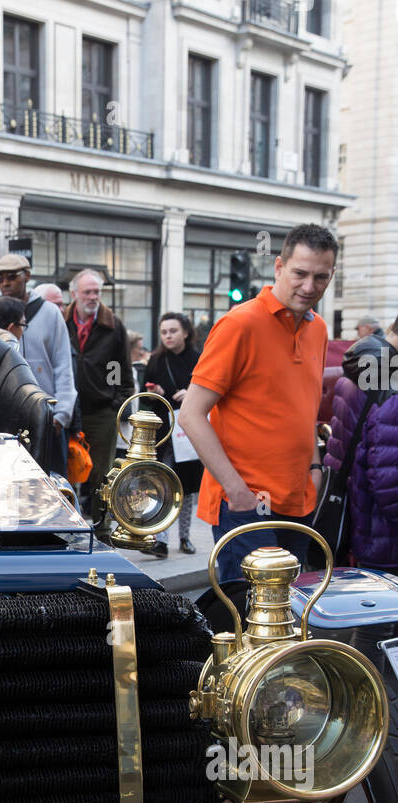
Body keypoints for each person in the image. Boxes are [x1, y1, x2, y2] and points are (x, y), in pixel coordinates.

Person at [178, 223, 336, 583]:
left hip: (298, 500)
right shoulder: (240, 324)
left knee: (288, 608)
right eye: (300, 273)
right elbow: (191, 414)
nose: (309, 286)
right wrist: (236, 490)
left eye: (321, 277)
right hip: (247, 504)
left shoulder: (318, 328)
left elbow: (304, 406)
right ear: (279, 267)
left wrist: (314, 467)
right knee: (251, 613)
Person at [0, 253, 76, 476]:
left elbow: (63, 365)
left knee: (50, 481)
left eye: (11, 276)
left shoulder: (50, 312)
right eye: (0, 278)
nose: (5, 283)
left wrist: (61, 415)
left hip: (46, 415)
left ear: (27, 276)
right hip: (3, 418)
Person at [323, 320, 398, 570]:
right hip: (383, 533)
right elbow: (389, 480)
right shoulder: (390, 380)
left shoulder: (363, 363)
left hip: (359, 518)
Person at [64, 269, 134, 519]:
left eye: (97, 292)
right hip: (68, 408)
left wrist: (116, 402)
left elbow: (120, 368)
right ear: (74, 294)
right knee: (67, 470)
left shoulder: (113, 325)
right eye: (88, 292)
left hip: (102, 411)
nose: (93, 297)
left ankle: (101, 529)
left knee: (101, 474)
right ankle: (66, 527)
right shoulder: (62, 321)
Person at [141, 313, 202, 557]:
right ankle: (161, 539)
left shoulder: (198, 358)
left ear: (185, 333)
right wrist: (154, 391)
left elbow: (210, 389)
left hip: (188, 431)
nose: (168, 336)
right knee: (162, 484)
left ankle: (185, 537)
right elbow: (144, 395)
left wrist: (191, 393)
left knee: (187, 488)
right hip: (164, 432)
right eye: (164, 332)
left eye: (173, 331)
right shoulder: (156, 360)